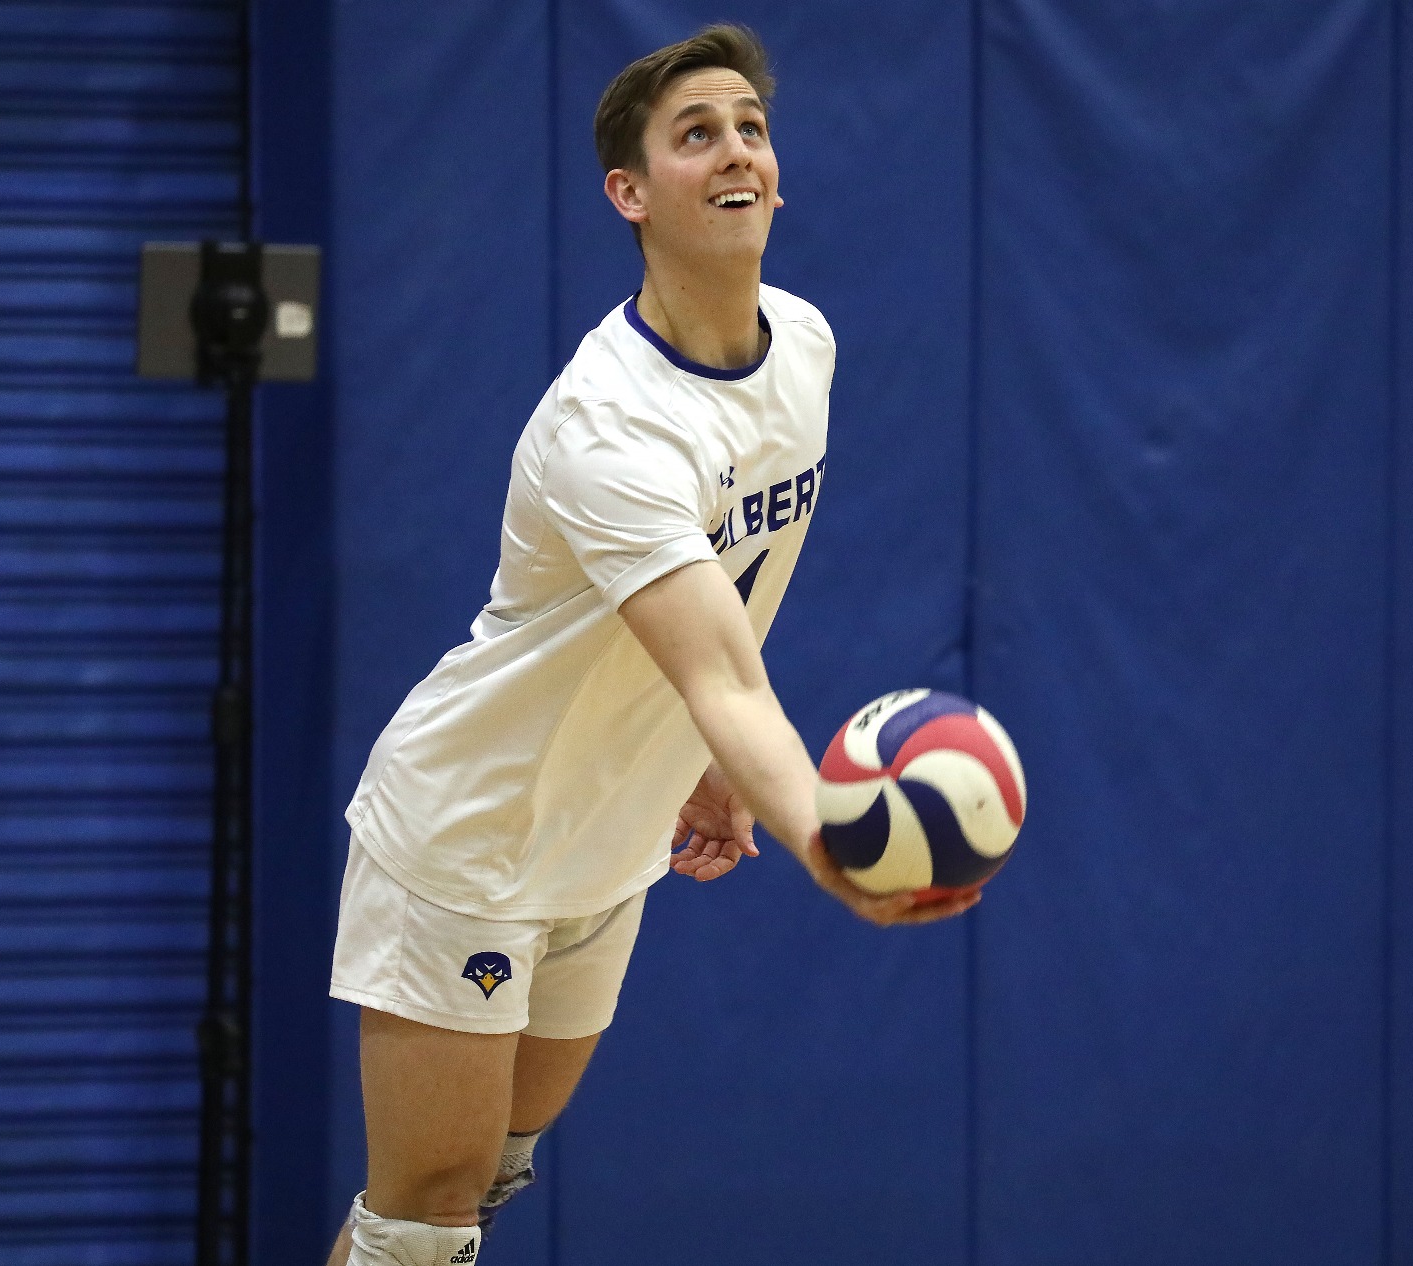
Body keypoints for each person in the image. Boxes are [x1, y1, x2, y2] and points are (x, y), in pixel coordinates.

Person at [322, 24, 977, 1266]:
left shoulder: (807, 345)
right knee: (425, 1215)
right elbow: (721, 669)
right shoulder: (608, 425)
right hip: (473, 825)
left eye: (750, 128)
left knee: (496, 1172)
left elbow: (735, 600)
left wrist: (706, 761)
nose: (735, 150)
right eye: (695, 135)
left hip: (607, 840)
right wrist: (832, 839)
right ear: (629, 193)